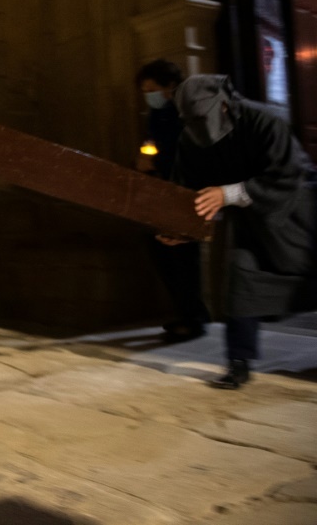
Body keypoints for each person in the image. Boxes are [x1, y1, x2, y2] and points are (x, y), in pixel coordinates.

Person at [159, 74, 316, 389]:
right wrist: (182, 230)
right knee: (241, 281)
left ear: (225, 106)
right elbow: (188, 193)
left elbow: (287, 175)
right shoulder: (192, 139)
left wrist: (227, 194)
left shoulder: (266, 121)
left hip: (299, 216)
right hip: (250, 222)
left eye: (202, 117)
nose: (196, 126)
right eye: (188, 120)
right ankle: (238, 363)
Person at [135, 60, 211, 342]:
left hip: (187, 192)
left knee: (184, 257)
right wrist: (147, 161)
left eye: (152, 89)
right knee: (162, 252)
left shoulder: (187, 112)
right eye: (144, 90)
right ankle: (187, 312)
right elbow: (153, 145)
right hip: (164, 192)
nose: (149, 95)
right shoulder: (155, 115)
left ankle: (193, 319)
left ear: (170, 86)